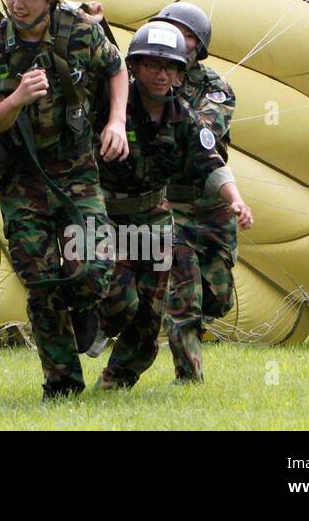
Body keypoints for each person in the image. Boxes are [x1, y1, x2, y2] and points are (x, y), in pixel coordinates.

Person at [0, 0, 130, 399]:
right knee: (40, 280)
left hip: (77, 171)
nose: (19, 3)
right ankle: (62, 384)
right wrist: (17, 99)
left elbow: (116, 67)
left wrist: (116, 122)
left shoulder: (80, 32)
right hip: (22, 178)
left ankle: (87, 308)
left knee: (92, 267)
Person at [93, 22, 253, 389]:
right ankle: (95, 325)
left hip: (154, 220)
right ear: (135, 67)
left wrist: (236, 201)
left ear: (181, 73)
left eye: (170, 68)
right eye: (152, 65)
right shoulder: (109, 106)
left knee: (150, 313)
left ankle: (116, 380)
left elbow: (211, 163)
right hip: (106, 220)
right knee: (118, 298)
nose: (162, 75)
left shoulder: (184, 118)